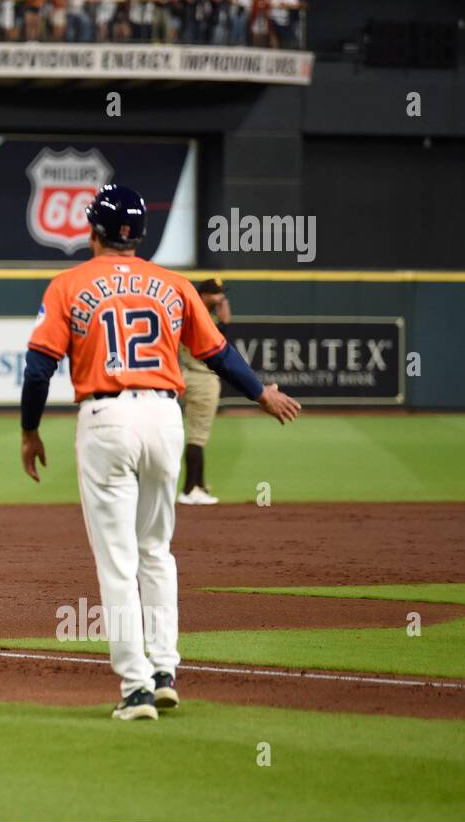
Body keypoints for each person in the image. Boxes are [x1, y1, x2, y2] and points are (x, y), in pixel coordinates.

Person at [20, 184, 301, 720]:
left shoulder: (68, 284)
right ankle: (167, 668)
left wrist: (29, 431)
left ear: (92, 231)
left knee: (118, 562)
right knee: (156, 550)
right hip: (164, 416)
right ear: (140, 234)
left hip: (107, 418)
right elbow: (217, 353)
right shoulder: (173, 284)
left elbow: (39, 366)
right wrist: (261, 392)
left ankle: (136, 687)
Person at [178, 279, 231, 505]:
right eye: (217, 294)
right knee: (197, 436)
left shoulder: (189, 313)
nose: (221, 298)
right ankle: (190, 489)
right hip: (202, 377)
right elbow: (223, 332)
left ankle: (198, 485)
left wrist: (219, 305)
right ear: (205, 295)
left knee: (196, 435)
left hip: (190, 374)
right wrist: (221, 308)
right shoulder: (199, 316)